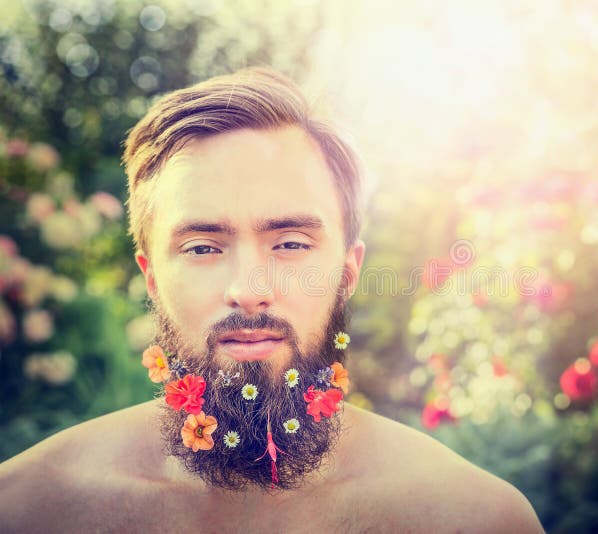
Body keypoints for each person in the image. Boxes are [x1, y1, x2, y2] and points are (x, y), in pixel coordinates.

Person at [0, 66, 544, 533]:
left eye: (289, 243)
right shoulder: (28, 509)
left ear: (347, 272)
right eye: (203, 246)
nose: (250, 290)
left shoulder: (471, 519)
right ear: (151, 278)